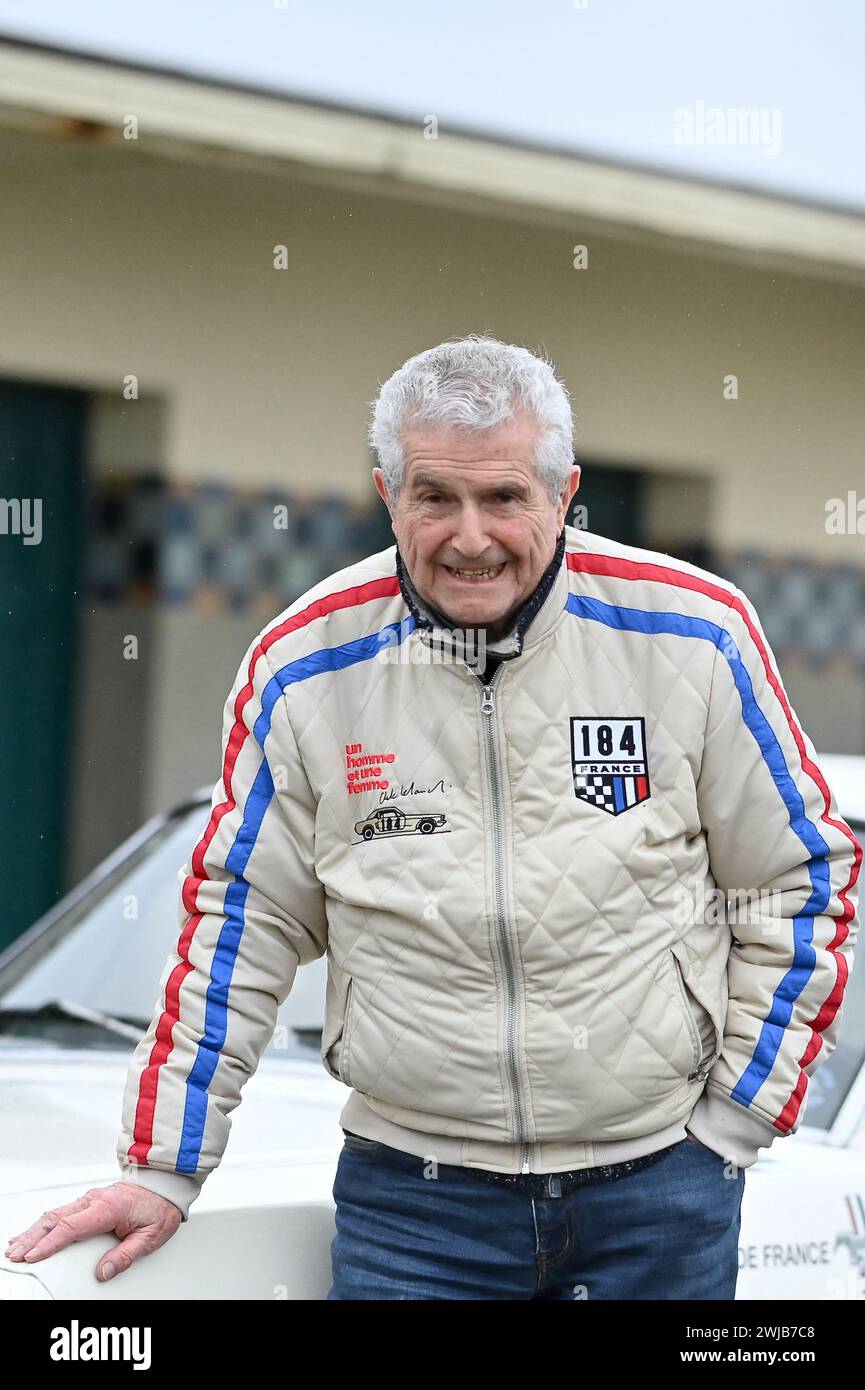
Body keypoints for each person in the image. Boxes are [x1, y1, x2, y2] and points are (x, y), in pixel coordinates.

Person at [6, 334, 860, 1299]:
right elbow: (241, 923)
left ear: (563, 492)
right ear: (387, 495)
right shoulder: (304, 668)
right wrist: (162, 1165)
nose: (469, 536)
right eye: (434, 497)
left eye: (505, 497)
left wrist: (735, 1121)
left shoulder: (694, 635)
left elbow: (802, 875)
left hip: (661, 1192)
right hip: (416, 1208)